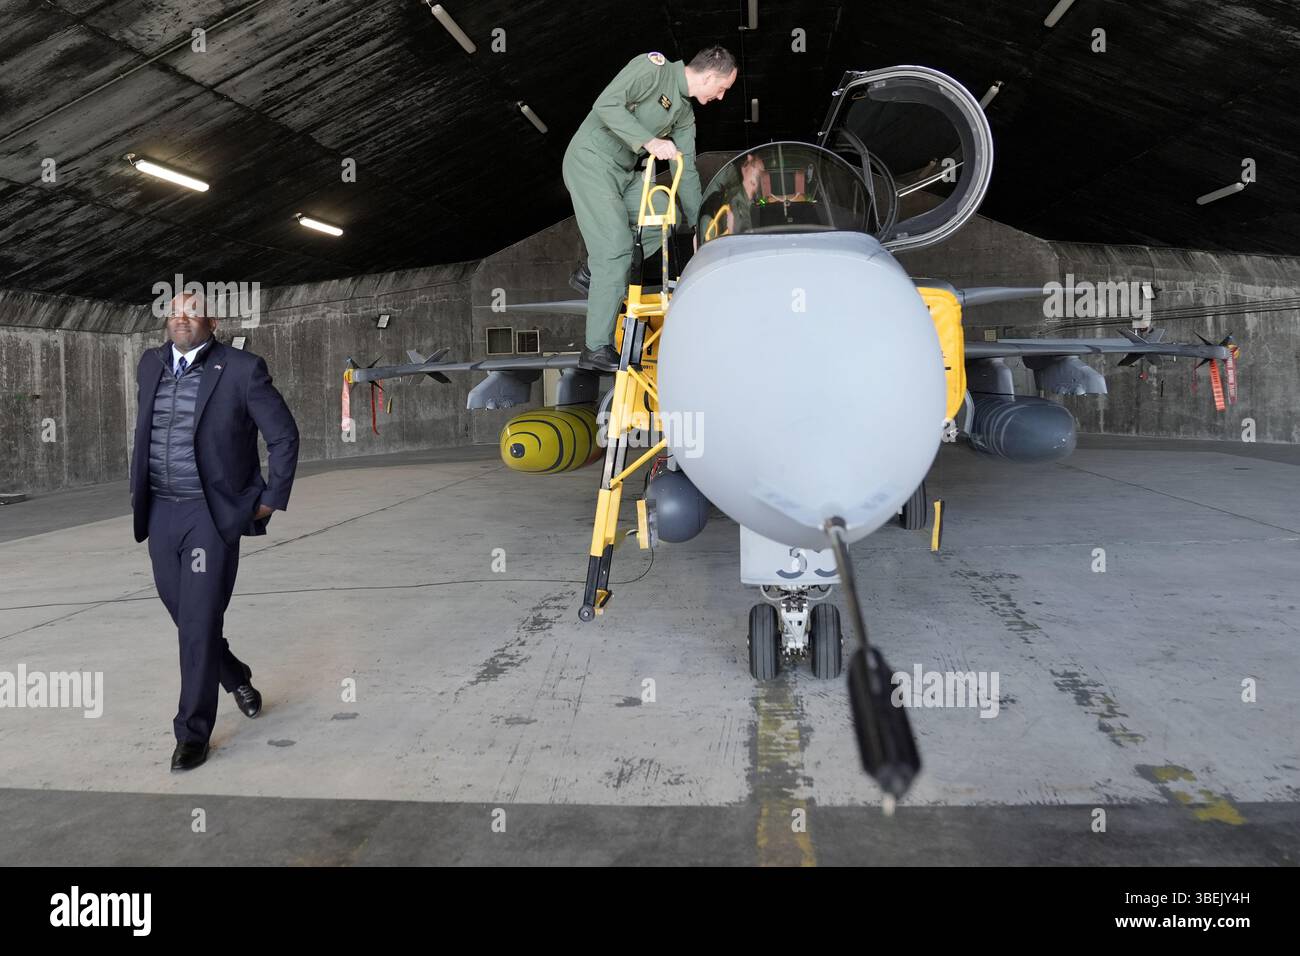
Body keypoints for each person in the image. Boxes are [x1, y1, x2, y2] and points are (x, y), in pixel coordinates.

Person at [129, 291, 299, 772]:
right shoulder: (150, 364)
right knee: (183, 614)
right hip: (161, 509)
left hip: (211, 513)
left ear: (212, 321)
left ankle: (192, 734)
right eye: (174, 313)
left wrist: (271, 496)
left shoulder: (243, 369)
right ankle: (235, 674)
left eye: (192, 313)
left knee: (199, 623)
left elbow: (283, 435)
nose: (182, 320)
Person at [563, 46, 737, 370]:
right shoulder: (653, 69)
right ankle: (595, 347)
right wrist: (650, 141)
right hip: (591, 162)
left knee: (662, 210)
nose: (721, 96)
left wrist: (700, 224)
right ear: (711, 76)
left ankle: (592, 272)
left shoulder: (684, 115)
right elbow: (605, 105)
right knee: (615, 248)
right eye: (723, 88)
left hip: (623, 173)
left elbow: (687, 172)